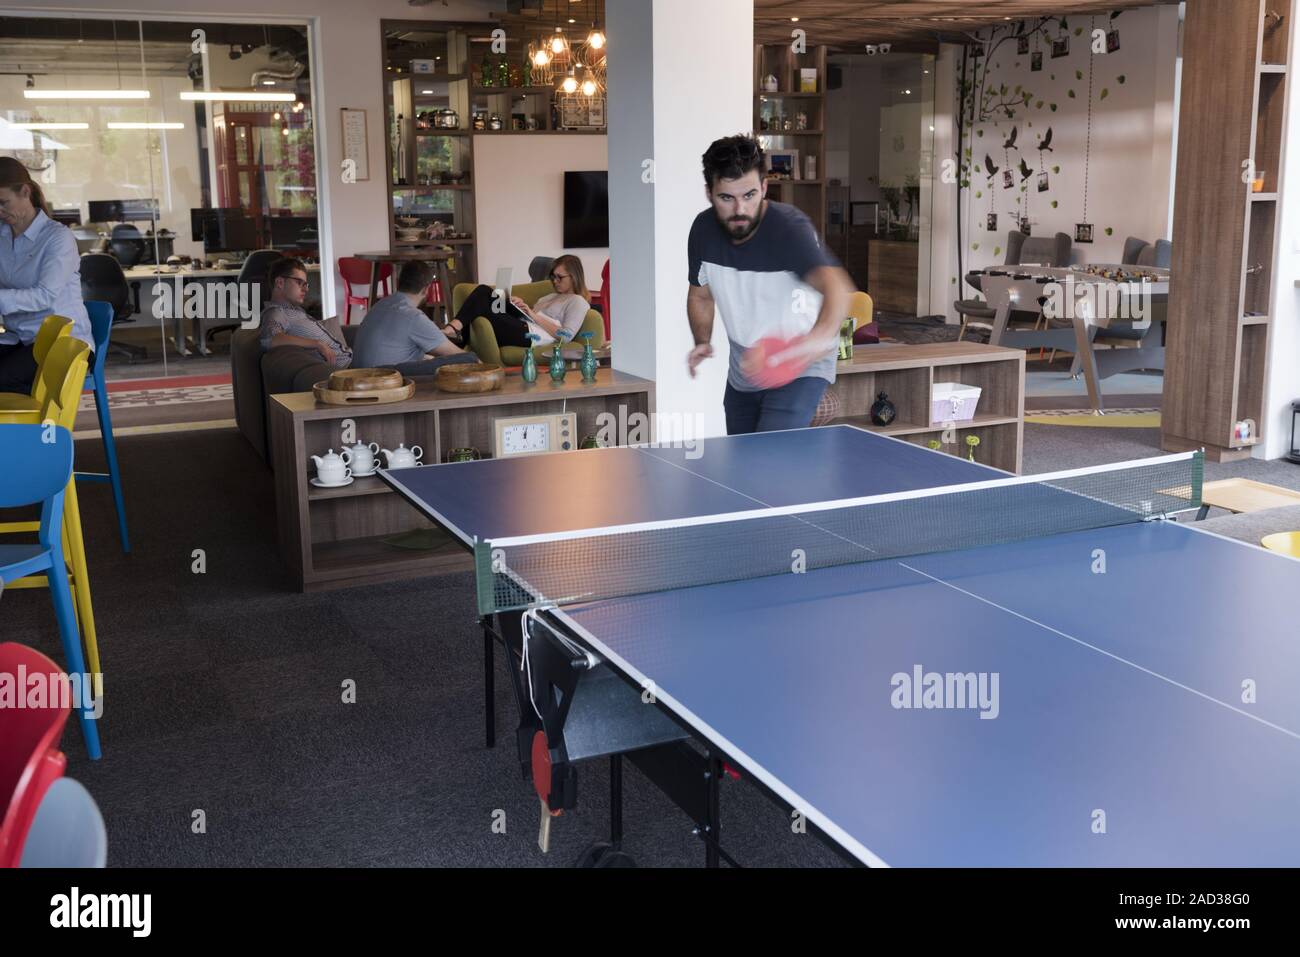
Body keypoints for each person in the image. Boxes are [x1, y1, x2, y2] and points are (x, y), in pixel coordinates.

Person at [687, 134, 855, 434]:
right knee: (743, 456)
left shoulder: (789, 229)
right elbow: (700, 296)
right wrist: (702, 341)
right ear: (709, 193)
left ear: (764, 187)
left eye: (750, 195)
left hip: (800, 359)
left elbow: (837, 290)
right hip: (747, 362)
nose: (740, 209)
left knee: (772, 452)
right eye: (727, 197)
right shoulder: (703, 231)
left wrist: (813, 342)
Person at [0, 157, 93, 393]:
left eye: (3, 203)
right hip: (20, 338)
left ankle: (33, 428)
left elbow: (44, 296)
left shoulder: (57, 238)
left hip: (64, 343)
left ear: (25, 191)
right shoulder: (1, 236)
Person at [351, 260, 478, 376]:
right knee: (468, 358)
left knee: (428, 357)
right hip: (385, 380)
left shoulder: (380, 305)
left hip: (358, 376)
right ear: (426, 289)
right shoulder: (414, 317)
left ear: (399, 282)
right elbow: (455, 353)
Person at [443, 254, 590, 348]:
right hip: (522, 323)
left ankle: (451, 335)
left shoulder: (577, 301)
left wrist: (533, 314)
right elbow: (530, 315)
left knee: (482, 308)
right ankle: (453, 340)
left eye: (560, 277)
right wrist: (519, 304)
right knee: (485, 292)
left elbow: (566, 337)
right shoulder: (550, 296)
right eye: (553, 276)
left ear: (574, 276)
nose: (555, 281)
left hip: (531, 335)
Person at [258, 257, 351, 369]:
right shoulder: (276, 312)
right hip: (346, 368)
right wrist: (317, 343)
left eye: (306, 284)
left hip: (351, 360)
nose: (306, 289)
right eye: (299, 283)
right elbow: (269, 340)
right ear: (280, 283)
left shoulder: (295, 310)